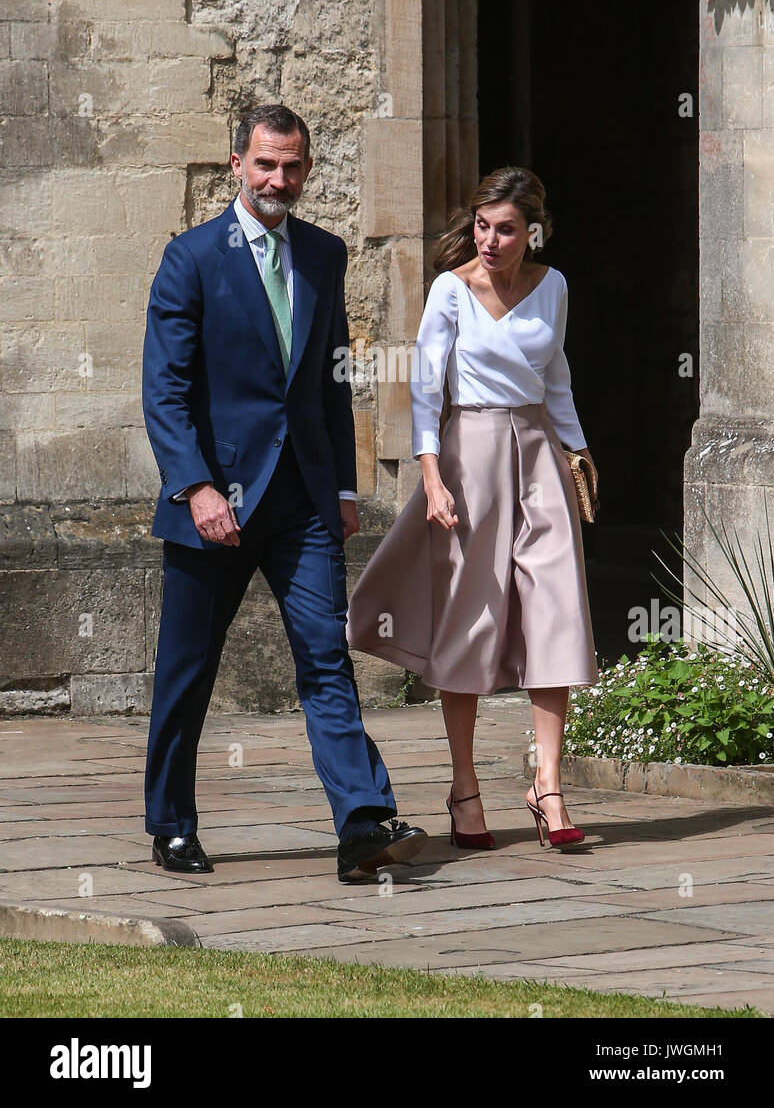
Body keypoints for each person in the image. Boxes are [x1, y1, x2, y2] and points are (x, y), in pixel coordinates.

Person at [141, 103, 427, 882]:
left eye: (292, 166)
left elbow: (331, 385)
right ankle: (169, 824)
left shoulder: (325, 257)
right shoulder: (190, 259)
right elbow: (164, 391)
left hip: (302, 500)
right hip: (213, 504)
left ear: (306, 169)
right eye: (265, 164)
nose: (279, 180)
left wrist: (342, 484)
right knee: (186, 669)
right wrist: (195, 485)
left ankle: (362, 822)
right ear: (237, 163)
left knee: (325, 662)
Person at [346, 166, 599, 850]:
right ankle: (464, 787)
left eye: (506, 229)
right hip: (469, 456)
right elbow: (426, 390)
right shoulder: (450, 291)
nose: (489, 240)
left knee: (558, 612)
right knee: (471, 618)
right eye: (482, 226)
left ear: (532, 232)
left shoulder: (554, 288)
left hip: (539, 455)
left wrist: (577, 455)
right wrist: (430, 475)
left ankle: (547, 787)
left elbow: (558, 379)